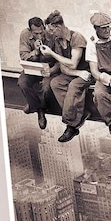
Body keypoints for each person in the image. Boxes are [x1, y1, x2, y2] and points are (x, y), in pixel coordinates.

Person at [39, 10, 91, 143]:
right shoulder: (58, 41)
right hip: (76, 73)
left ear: (58, 27)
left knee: (74, 86)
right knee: (55, 83)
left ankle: (71, 125)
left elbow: (73, 64)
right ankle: (79, 115)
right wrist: (77, 73)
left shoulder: (76, 38)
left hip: (87, 73)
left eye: (52, 30)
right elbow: (63, 67)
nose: (51, 33)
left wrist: (52, 54)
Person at [17, 16, 55, 130]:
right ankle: (38, 109)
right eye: (36, 33)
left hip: (48, 68)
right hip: (32, 68)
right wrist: (36, 52)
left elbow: (57, 56)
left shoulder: (51, 34)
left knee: (46, 87)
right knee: (22, 83)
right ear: (30, 31)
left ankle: (35, 107)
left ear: (44, 28)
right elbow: (24, 56)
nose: (39, 36)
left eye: (41, 32)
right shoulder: (25, 35)